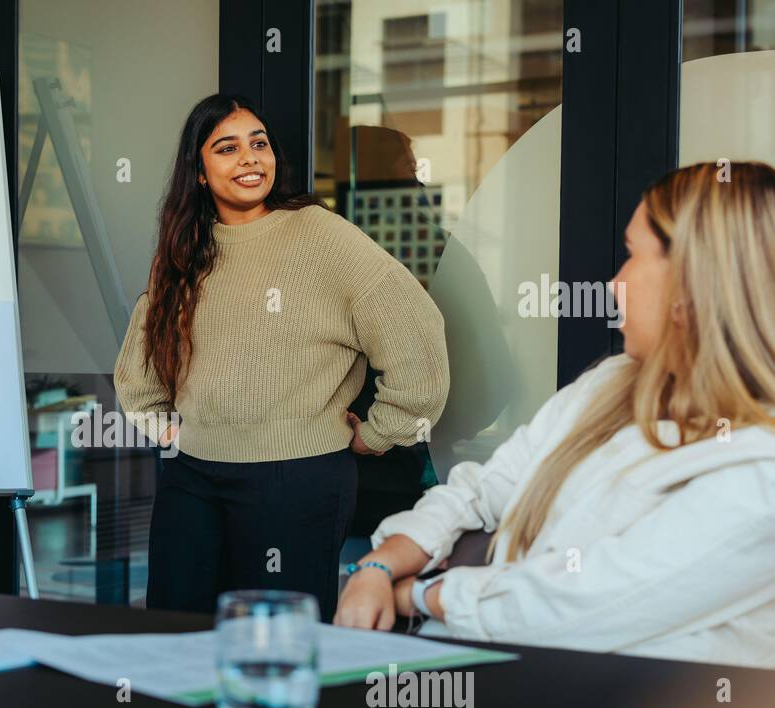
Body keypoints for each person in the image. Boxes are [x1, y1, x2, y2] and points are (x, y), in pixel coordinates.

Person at [335, 162, 775, 668]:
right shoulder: (612, 383)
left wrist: (418, 596)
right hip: (503, 679)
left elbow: (587, 601)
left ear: (693, 284)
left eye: (633, 257)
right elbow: (483, 488)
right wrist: (379, 566)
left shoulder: (759, 467)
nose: (613, 284)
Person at [114, 94, 450, 620]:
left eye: (259, 144)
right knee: (174, 633)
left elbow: (414, 328)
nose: (249, 158)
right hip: (191, 478)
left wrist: (381, 431)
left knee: (280, 641)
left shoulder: (321, 235)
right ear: (199, 172)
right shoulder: (184, 249)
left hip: (296, 479)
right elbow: (140, 365)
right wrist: (165, 428)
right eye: (227, 148)